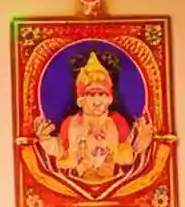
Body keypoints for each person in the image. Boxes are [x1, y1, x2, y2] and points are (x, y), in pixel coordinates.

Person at [34, 51, 153, 183]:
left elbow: (125, 154)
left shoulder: (117, 122)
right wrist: (44, 139)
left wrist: (139, 144)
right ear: (80, 100)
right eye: (91, 94)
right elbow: (62, 152)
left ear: (110, 99)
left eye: (102, 94)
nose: (97, 100)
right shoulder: (70, 123)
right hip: (77, 183)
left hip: (112, 182)